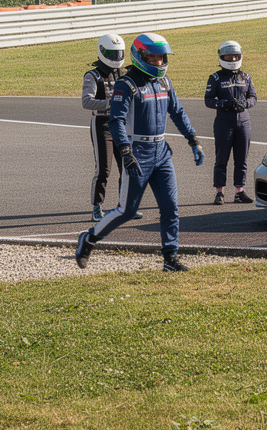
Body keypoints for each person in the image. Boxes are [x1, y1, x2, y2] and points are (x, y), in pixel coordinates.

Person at [75, 33, 205, 273]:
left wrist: (193, 139)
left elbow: (177, 112)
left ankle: (170, 257)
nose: (158, 62)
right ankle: (90, 238)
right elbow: (116, 120)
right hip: (138, 152)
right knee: (127, 210)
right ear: (140, 56)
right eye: (152, 58)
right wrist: (125, 150)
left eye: (161, 57)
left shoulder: (165, 83)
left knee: (171, 207)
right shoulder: (127, 84)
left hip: (162, 152)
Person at [81, 34, 141, 221]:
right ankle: (97, 207)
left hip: (122, 124)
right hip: (102, 124)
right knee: (103, 169)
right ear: (102, 52)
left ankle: (125, 205)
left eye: (118, 54)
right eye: (112, 54)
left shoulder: (125, 73)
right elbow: (86, 101)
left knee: (127, 166)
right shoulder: (93, 75)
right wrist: (110, 102)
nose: (116, 58)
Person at [204, 40, 257, 205]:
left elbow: (253, 97)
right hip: (223, 123)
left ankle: (239, 191)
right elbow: (208, 100)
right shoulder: (215, 77)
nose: (233, 59)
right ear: (222, 57)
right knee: (222, 159)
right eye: (229, 56)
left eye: (235, 56)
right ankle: (219, 192)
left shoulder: (246, 76)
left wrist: (245, 104)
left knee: (242, 159)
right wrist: (224, 104)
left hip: (244, 123)